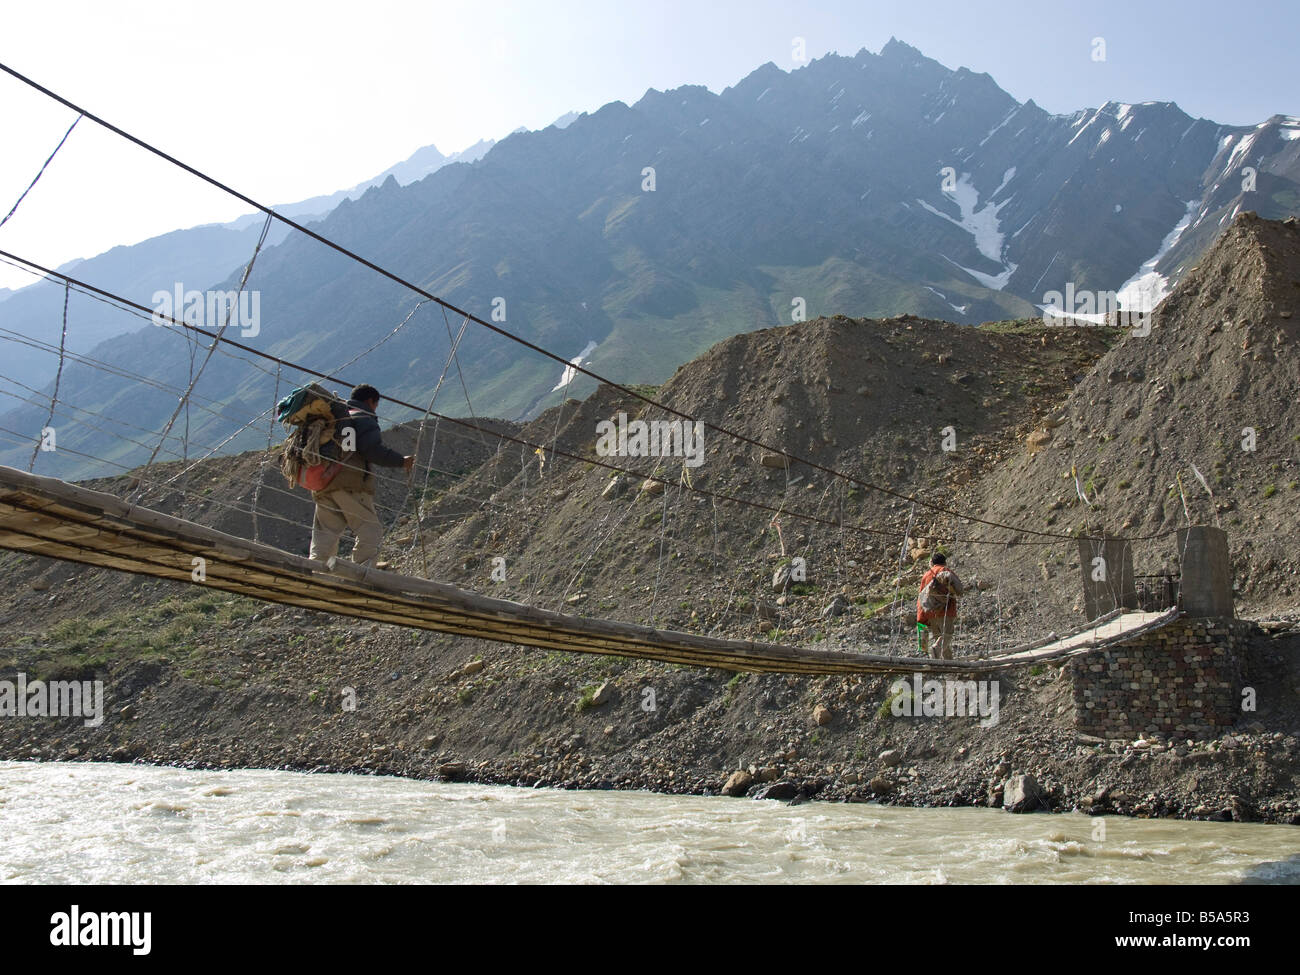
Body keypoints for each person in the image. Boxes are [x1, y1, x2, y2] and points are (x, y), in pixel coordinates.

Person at [309, 383, 413, 569]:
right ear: (371, 401)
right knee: (369, 530)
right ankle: (361, 572)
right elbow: (372, 450)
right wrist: (401, 461)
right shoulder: (364, 418)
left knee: (326, 531)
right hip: (350, 483)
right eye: (376, 404)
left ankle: (315, 571)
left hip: (323, 482)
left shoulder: (335, 417)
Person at [916, 552, 964, 660]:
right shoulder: (945, 571)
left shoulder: (926, 575)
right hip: (946, 610)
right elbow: (959, 589)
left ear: (932, 563)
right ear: (945, 562)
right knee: (947, 634)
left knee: (939, 637)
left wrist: (922, 616)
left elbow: (921, 597)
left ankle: (949, 665)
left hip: (931, 612)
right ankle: (935, 649)